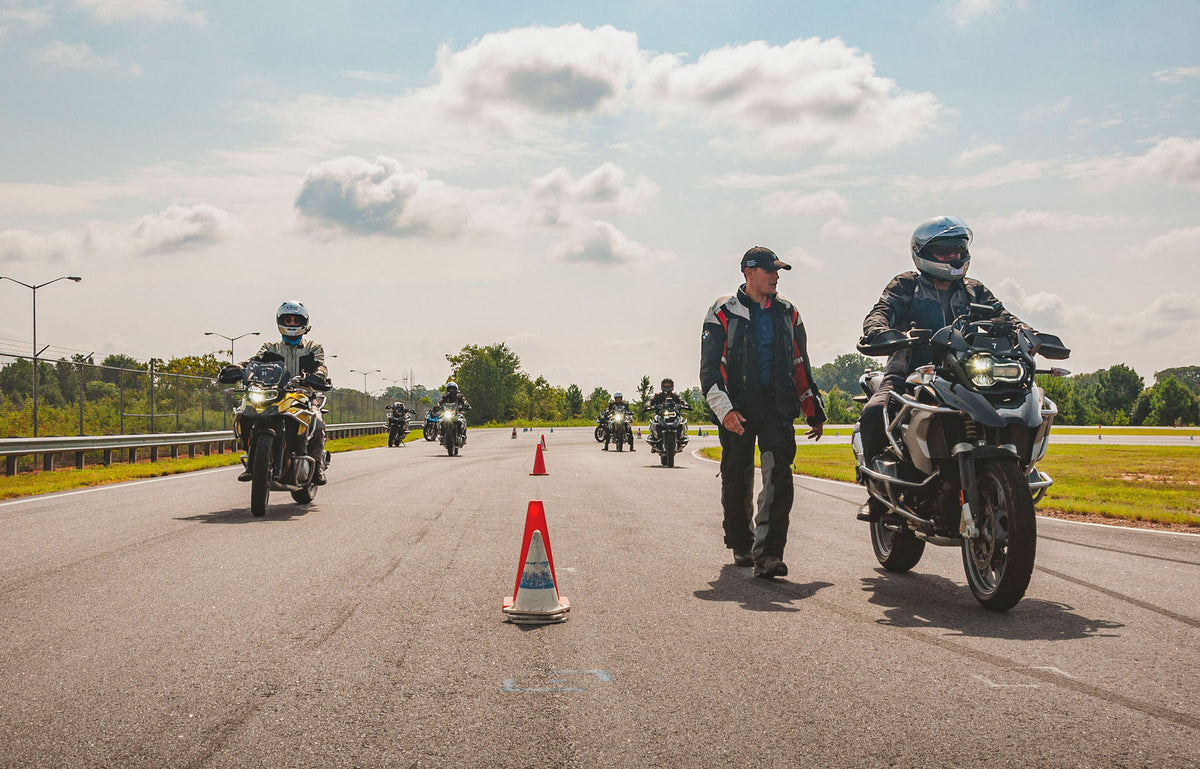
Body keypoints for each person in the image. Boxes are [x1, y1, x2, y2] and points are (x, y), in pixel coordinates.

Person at [856, 215, 1031, 521]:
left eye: (957, 249)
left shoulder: (975, 290)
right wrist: (879, 331)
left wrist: (1028, 334)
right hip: (910, 370)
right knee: (874, 412)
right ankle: (877, 492)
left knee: (1019, 402)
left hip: (966, 375)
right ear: (923, 253)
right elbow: (881, 311)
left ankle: (1014, 474)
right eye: (944, 251)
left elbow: (1006, 317)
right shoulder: (906, 286)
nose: (953, 256)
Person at [700, 247, 826, 578]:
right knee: (736, 478)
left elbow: (801, 362)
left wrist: (813, 409)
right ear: (749, 272)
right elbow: (710, 371)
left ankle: (769, 553)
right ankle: (741, 542)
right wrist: (725, 410)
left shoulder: (788, 312)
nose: (776, 276)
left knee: (779, 477)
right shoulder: (722, 311)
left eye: (778, 271)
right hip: (737, 409)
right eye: (770, 271)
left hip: (778, 408)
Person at [233, 299, 330, 484]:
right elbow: (254, 361)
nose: (292, 323)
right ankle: (252, 462)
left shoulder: (313, 348)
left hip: (303, 395)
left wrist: (317, 375)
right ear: (281, 321)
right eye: (288, 320)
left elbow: (321, 366)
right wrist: (238, 367)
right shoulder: (270, 347)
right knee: (245, 413)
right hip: (273, 394)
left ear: (304, 323)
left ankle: (317, 467)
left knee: (317, 424)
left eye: (296, 320)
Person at [646, 378, 691, 448]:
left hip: (674, 414)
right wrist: (648, 406)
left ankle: (681, 436)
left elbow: (682, 400)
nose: (667, 388)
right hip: (661, 415)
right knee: (655, 419)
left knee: (681, 419)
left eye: (669, 386)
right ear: (662, 386)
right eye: (665, 386)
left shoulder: (675, 395)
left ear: (672, 387)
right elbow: (650, 400)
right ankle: (655, 436)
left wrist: (685, 405)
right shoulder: (658, 395)